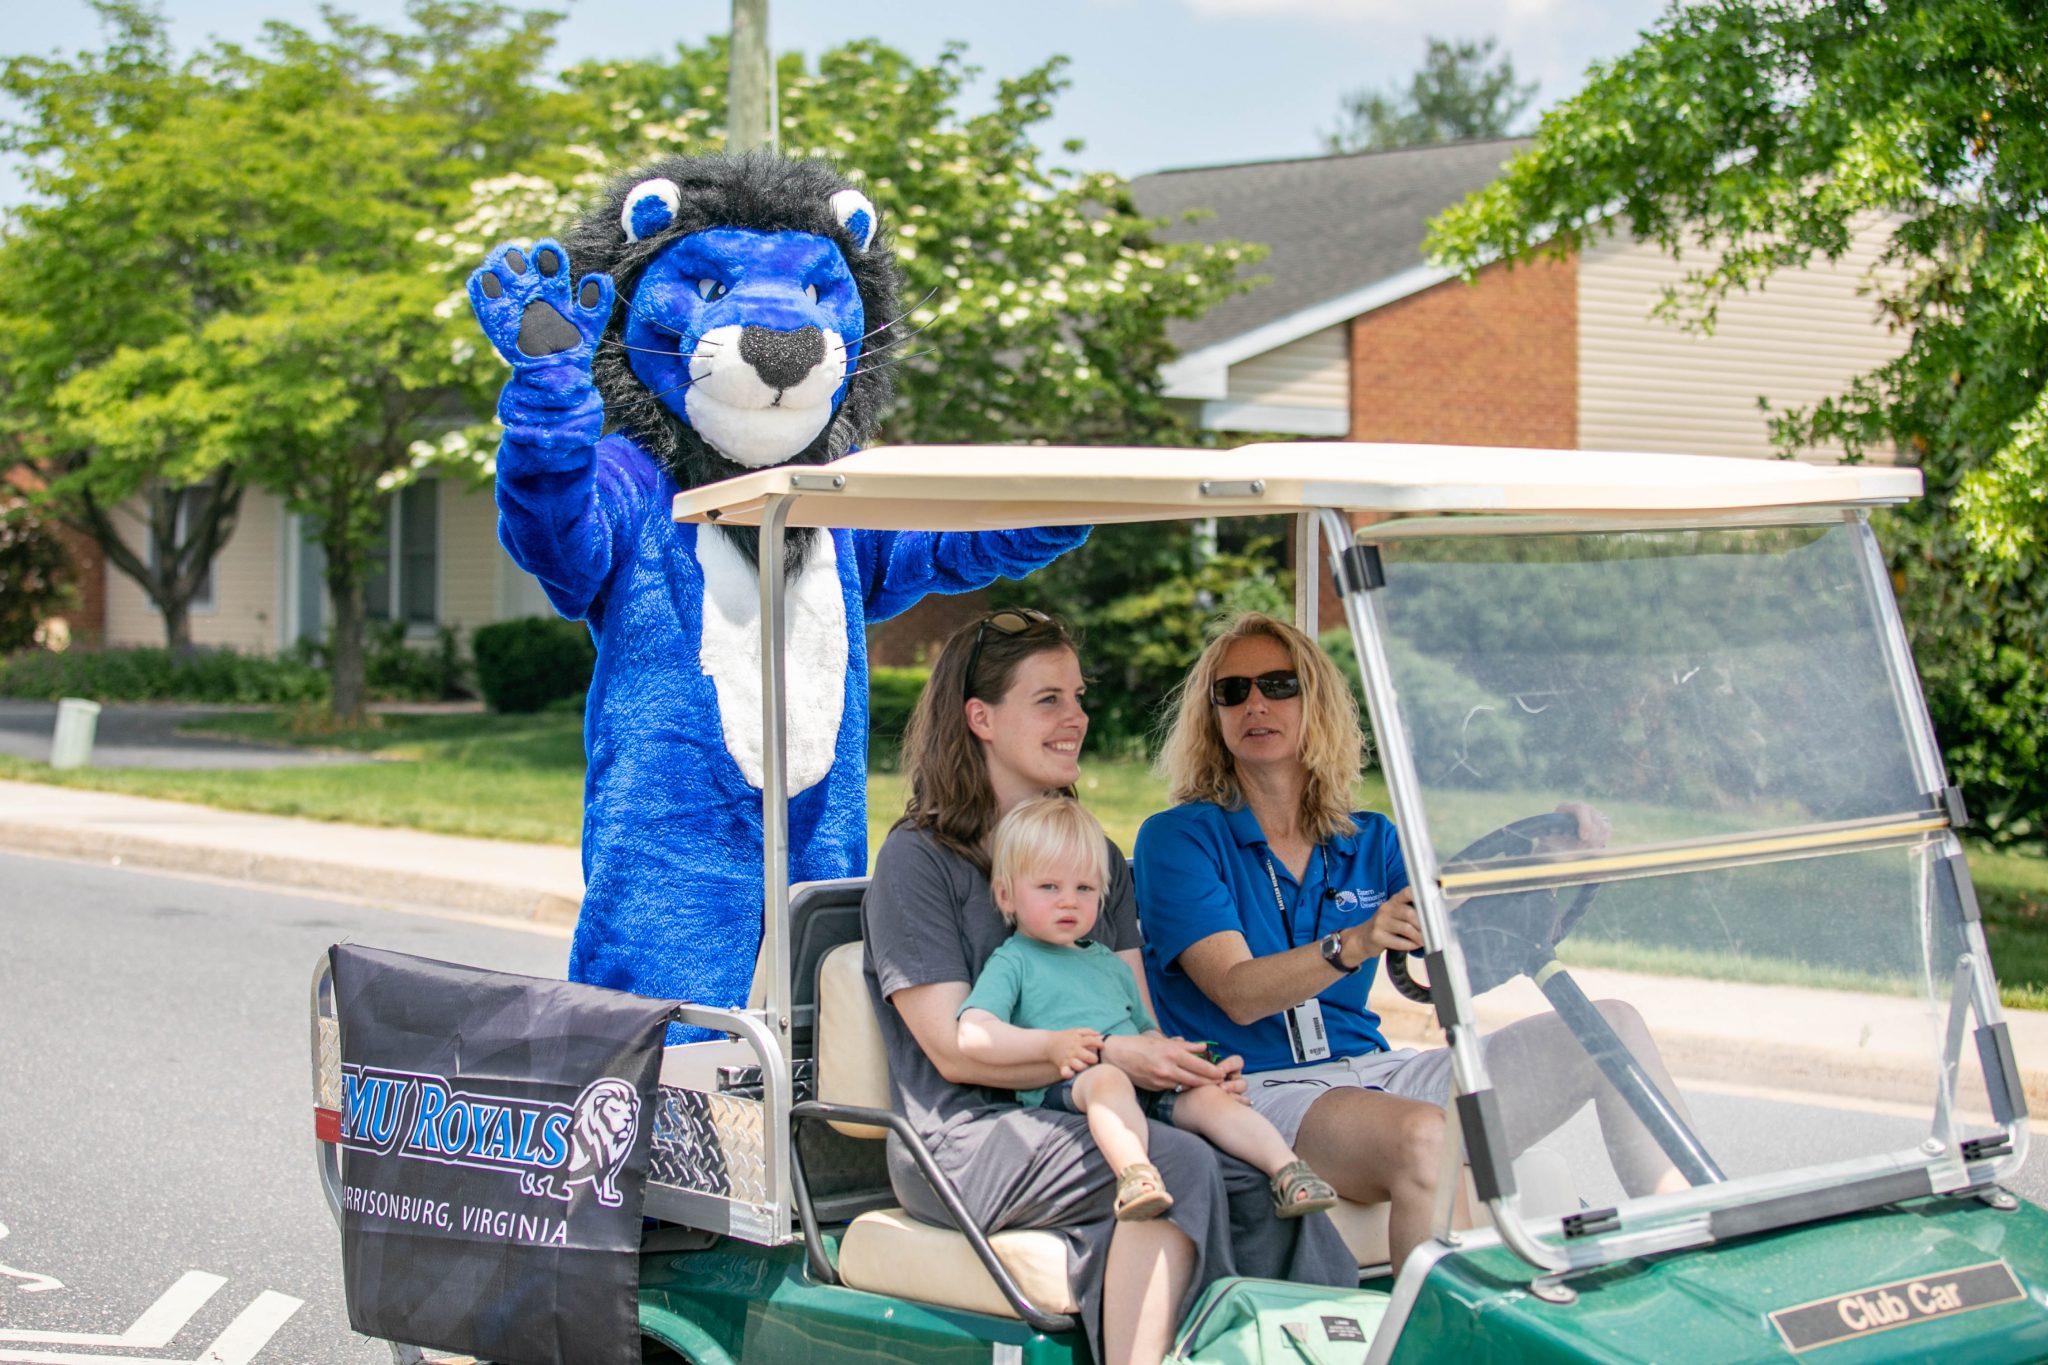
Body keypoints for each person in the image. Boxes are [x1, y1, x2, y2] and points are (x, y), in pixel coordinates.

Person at [862, 609, 1356, 1365]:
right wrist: (1115, 1058)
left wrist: (1185, 1065)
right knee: (1176, 1166)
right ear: (981, 717)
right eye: (1050, 699)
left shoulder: (1101, 861)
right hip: (961, 1138)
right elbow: (955, 1053)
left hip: (1090, 1113)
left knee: (1267, 1173)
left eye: (1078, 695)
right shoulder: (918, 861)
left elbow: (1138, 1018)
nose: (1078, 717)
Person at [1134, 612, 1693, 1275]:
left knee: (1613, 1026)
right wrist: (1354, 940)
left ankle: (1692, 1237)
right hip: (1258, 1090)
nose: (1256, 702)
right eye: (1234, 691)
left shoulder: (1370, 838)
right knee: (1425, 1135)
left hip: (1374, 1069)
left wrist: (1543, 869)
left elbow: (1450, 960)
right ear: (1214, 716)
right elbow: (1239, 991)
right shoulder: (1180, 838)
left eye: (1279, 684)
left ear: (1316, 701)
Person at [956, 794, 1341, 1223]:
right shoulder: (1014, 961)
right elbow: (974, 1032)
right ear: (1006, 895)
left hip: (1141, 1082)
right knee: (1106, 1080)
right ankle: (1135, 1174)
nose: (1068, 901)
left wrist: (1191, 1065)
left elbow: (1146, 1032)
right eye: (1049, 887)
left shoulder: (1106, 961)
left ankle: (1287, 1171)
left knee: (1210, 1098)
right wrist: (1050, 1045)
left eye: (1084, 888)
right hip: (1070, 1085)